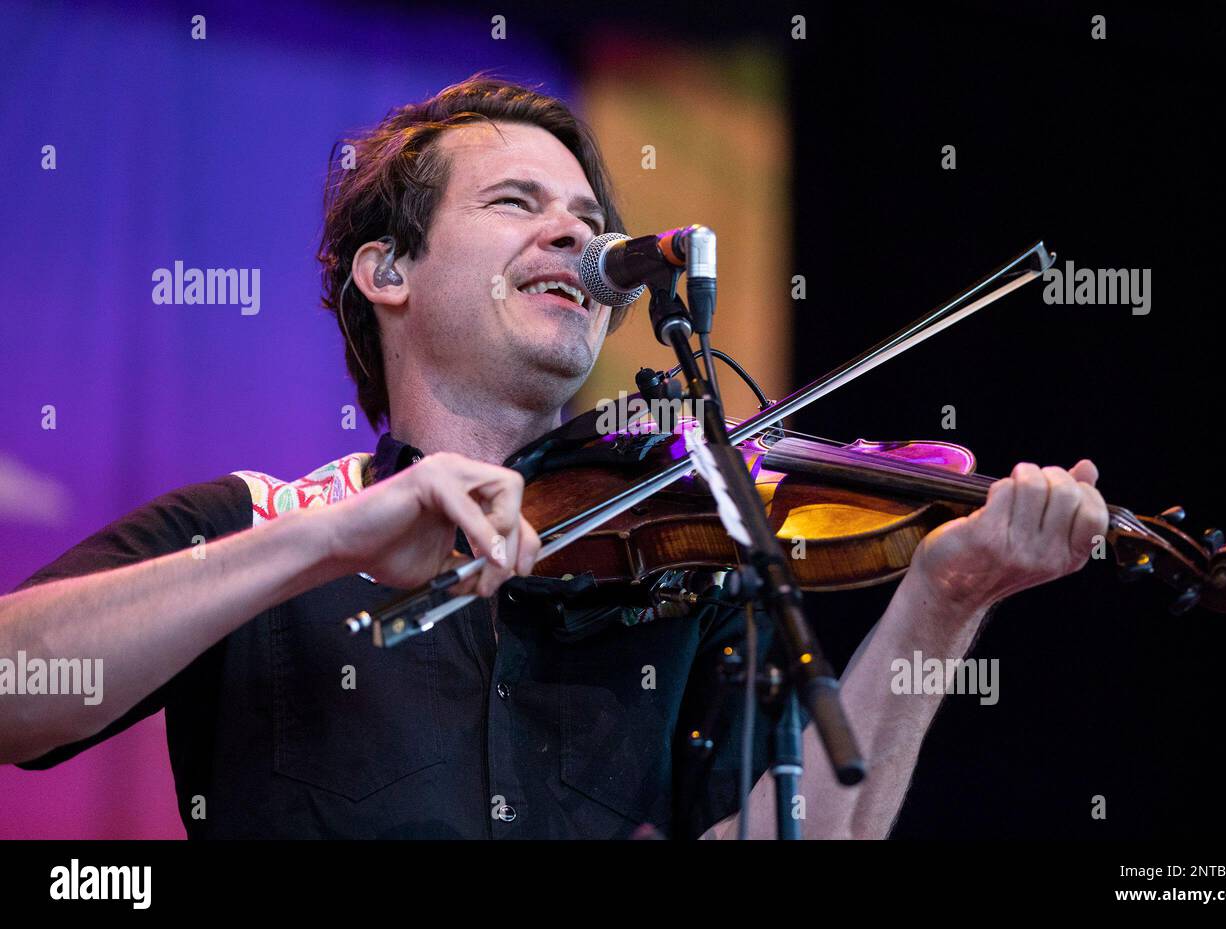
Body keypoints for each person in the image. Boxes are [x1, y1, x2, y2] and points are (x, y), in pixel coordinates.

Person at [0, 75, 1109, 839]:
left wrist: (943, 599)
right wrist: (323, 540)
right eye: (517, 203)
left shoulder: (686, 562)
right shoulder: (256, 521)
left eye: (587, 216)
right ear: (386, 272)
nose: (575, 238)